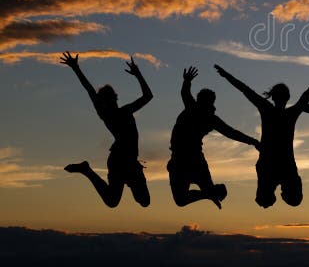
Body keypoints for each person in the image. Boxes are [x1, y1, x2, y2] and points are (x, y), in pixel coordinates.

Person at [214, 57, 309, 208]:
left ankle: (282, 190)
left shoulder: (269, 109)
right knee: (274, 201)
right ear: (287, 98)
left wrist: (226, 75)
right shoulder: (287, 112)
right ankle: (284, 190)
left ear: (273, 97)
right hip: (277, 164)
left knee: (268, 201)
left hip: (273, 164)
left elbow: (245, 89)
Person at [61, 51, 152, 207]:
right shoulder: (109, 114)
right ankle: (86, 170)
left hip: (128, 162)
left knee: (142, 201)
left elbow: (148, 96)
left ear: (114, 99)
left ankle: (87, 170)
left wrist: (138, 74)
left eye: (111, 98)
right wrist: (76, 68)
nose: (110, 101)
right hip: (119, 161)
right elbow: (89, 90)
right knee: (113, 201)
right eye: (107, 100)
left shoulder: (122, 111)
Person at [168, 66, 260, 209]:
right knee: (181, 200)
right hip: (179, 160)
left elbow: (231, 132)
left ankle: (213, 192)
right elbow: (185, 93)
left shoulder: (209, 118)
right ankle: (212, 193)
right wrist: (187, 81)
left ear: (209, 103)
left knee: (187, 198)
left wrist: (253, 141)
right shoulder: (193, 109)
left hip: (194, 161)